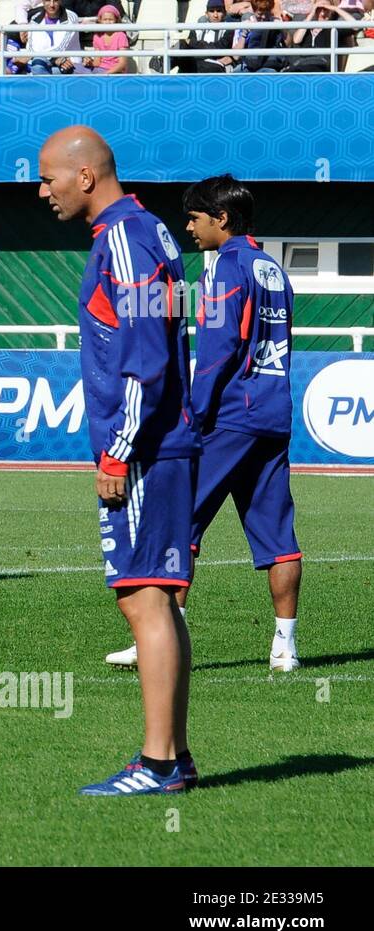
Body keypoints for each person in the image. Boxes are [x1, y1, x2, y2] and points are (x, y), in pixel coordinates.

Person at [38, 127, 200, 796]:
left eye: (48, 177)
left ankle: (159, 763)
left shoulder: (127, 239)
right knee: (155, 597)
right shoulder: (145, 232)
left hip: (146, 450)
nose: (41, 191)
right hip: (159, 444)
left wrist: (117, 450)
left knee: (142, 598)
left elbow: (145, 358)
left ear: (84, 177)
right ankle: (174, 759)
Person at [107, 176, 302, 673]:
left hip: (230, 415)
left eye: (195, 218)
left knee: (178, 525)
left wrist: (192, 412)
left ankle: (161, 641)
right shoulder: (273, 268)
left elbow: (217, 355)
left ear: (222, 218)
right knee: (278, 536)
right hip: (273, 414)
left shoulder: (227, 268)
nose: (189, 228)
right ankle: (285, 647)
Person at [283, 1, 359, 71]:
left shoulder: (333, 28)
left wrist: (335, 8)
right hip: (300, 64)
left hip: (320, 64)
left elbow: (355, 26)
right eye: (319, 9)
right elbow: (296, 40)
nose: (322, 12)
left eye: (325, 9)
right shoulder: (307, 27)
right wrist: (311, 13)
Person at [27, 0, 83, 73]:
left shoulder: (71, 17)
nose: (52, 5)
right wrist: (54, 59)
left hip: (68, 65)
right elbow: (31, 48)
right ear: (42, 1)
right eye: (47, 0)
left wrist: (53, 59)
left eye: (55, 1)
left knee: (38, 67)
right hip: (43, 63)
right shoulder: (35, 18)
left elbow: (61, 47)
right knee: (37, 66)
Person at [80, 4, 131, 72]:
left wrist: (106, 74)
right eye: (105, 19)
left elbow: (122, 63)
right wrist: (90, 62)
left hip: (115, 72)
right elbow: (97, 62)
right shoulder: (97, 36)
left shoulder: (121, 35)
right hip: (99, 70)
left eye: (111, 19)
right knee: (75, 67)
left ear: (116, 20)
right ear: (100, 21)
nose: (108, 22)